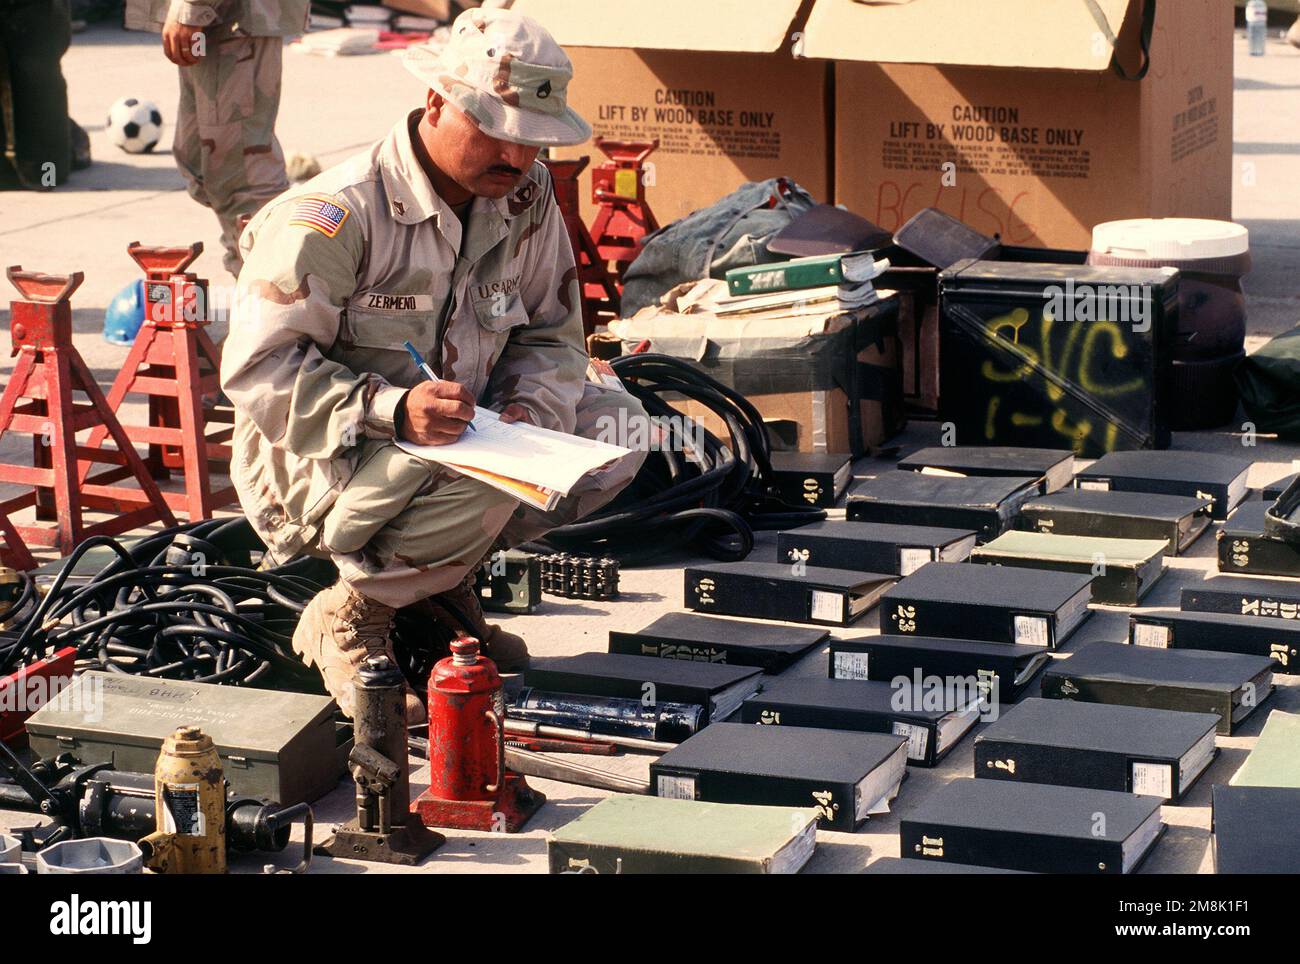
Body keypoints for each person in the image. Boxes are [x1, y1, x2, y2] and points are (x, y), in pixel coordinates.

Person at [219, 8, 648, 724]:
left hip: (453, 437)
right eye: (494, 130)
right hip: (323, 462)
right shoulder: (334, 216)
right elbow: (260, 373)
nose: (515, 157)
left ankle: (437, 588)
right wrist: (391, 409)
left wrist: (530, 415)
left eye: (531, 142)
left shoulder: (525, 197)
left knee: (618, 430)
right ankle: (350, 616)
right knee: (482, 481)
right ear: (436, 105)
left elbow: (552, 337)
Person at [125, 0, 309, 275]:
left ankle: (275, 296)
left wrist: (191, 8)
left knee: (241, 176)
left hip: (232, 18)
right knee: (202, 163)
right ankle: (261, 286)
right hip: (218, 19)